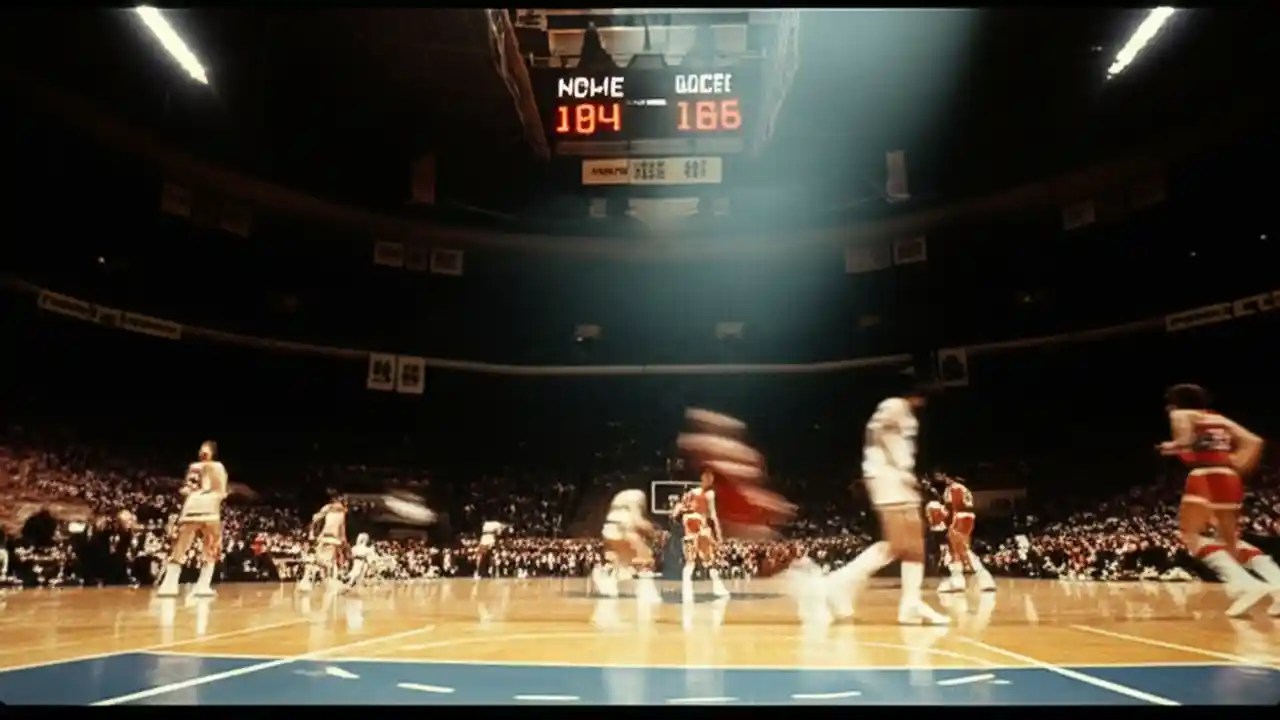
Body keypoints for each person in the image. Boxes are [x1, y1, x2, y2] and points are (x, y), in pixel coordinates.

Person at [822, 386, 950, 625]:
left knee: (912, 543)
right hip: (888, 477)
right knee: (901, 542)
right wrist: (903, 470)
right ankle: (837, 584)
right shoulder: (895, 406)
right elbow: (888, 437)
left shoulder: (901, 410)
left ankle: (910, 602)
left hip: (892, 477)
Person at [1159, 384, 1273, 617]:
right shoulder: (1217, 419)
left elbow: (1185, 440)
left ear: (1175, 403)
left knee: (1191, 535)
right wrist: (1239, 465)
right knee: (1230, 542)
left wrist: (1170, 447)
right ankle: (1277, 583)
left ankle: (1244, 584)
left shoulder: (1181, 414)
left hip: (1204, 475)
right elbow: (1254, 441)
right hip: (1229, 476)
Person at [156, 441, 228, 598]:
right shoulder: (218, 467)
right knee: (209, 547)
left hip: (192, 507)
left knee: (182, 546)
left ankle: (170, 584)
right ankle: (202, 585)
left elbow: (187, 489)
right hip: (209, 509)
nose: (202, 453)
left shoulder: (193, 466)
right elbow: (222, 491)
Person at [593, 488, 662, 604]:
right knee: (645, 559)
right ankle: (647, 592)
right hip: (623, 529)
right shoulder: (637, 497)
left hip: (608, 529)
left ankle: (608, 575)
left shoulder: (620, 498)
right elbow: (636, 522)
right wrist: (652, 531)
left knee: (621, 562)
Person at [675, 469, 730, 602]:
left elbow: (677, 511)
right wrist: (719, 533)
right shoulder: (708, 494)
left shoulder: (691, 493)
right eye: (707, 477)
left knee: (694, 561)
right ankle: (717, 588)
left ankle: (688, 591)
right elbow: (713, 514)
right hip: (698, 526)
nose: (709, 479)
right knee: (706, 560)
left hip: (691, 526)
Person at [936, 475, 996, 593]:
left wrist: (947, 521)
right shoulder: (963, 488)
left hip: (960, 517)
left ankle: (979, 578)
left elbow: (953, 507)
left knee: (960, 548)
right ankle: (962, 579)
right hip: (967, 517)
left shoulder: (954, 488)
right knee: (959, 549)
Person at [298, 496, 348, 593]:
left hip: (324, 538)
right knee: (330, 563)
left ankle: (308, 580)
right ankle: (331, 584)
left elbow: (315, 519)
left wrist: (312, 533)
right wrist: (344, 543)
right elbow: (342, 530)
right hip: (332, 539)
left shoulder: (328, 508)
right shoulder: (340, 512)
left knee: (320, 561)